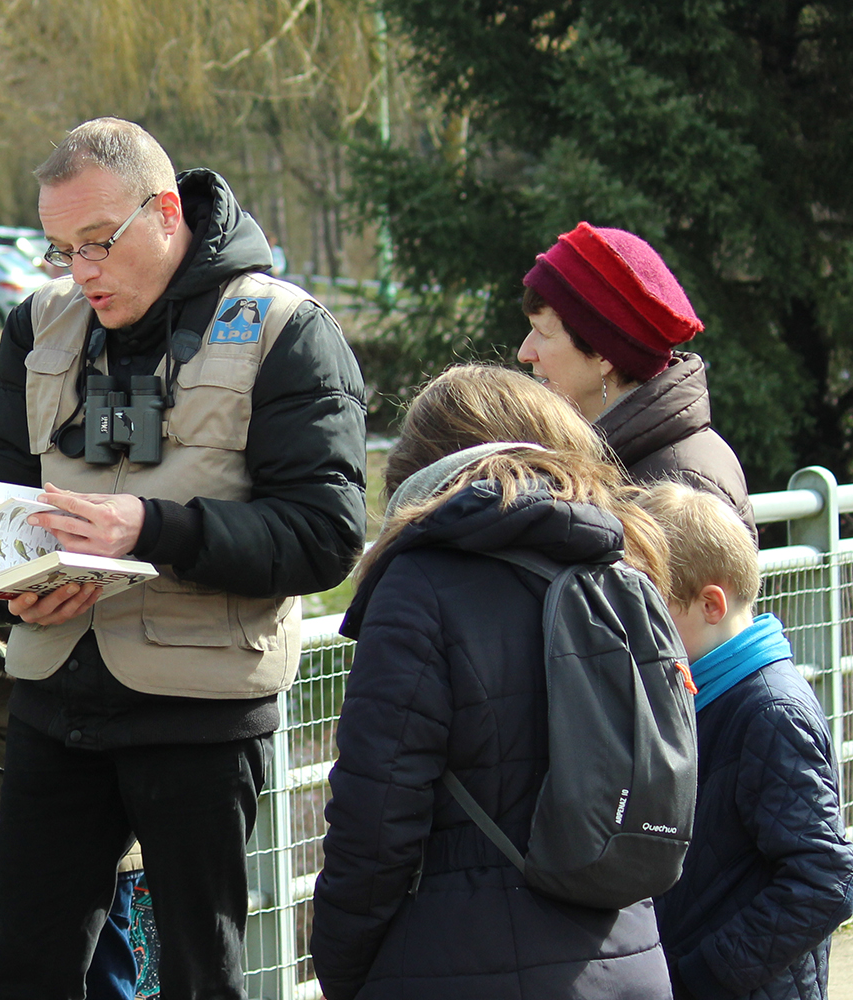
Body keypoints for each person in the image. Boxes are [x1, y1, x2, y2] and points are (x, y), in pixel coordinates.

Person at [0, 117, 368, 998]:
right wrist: (2, 586)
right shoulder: (38, 323)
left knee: (199, 976)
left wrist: (150, 530)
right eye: (61, 248)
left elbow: (325, 534)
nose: (81, 271)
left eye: (98, 242)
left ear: (167, 212)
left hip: (201, 717)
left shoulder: (286, 328)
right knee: (24, 974)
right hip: (53, 698)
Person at [309, 364, 673, 999]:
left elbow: (375, 821)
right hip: (631, 955)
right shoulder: (625, 570)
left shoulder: (419, 585)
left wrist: (342, 968)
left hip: (460, 958)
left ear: (421, 471)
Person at [634, 482, 853, 1000]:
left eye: (652, 612)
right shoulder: (707, 693)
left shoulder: (770, 714)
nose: (639, 630)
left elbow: (826, 879)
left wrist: (704, 975)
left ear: (711, 604)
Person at [518, 221, 753, 530]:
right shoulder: (622, 454)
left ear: (604, 354)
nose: (525, 353)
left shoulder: (683, 485)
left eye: (543, 332)